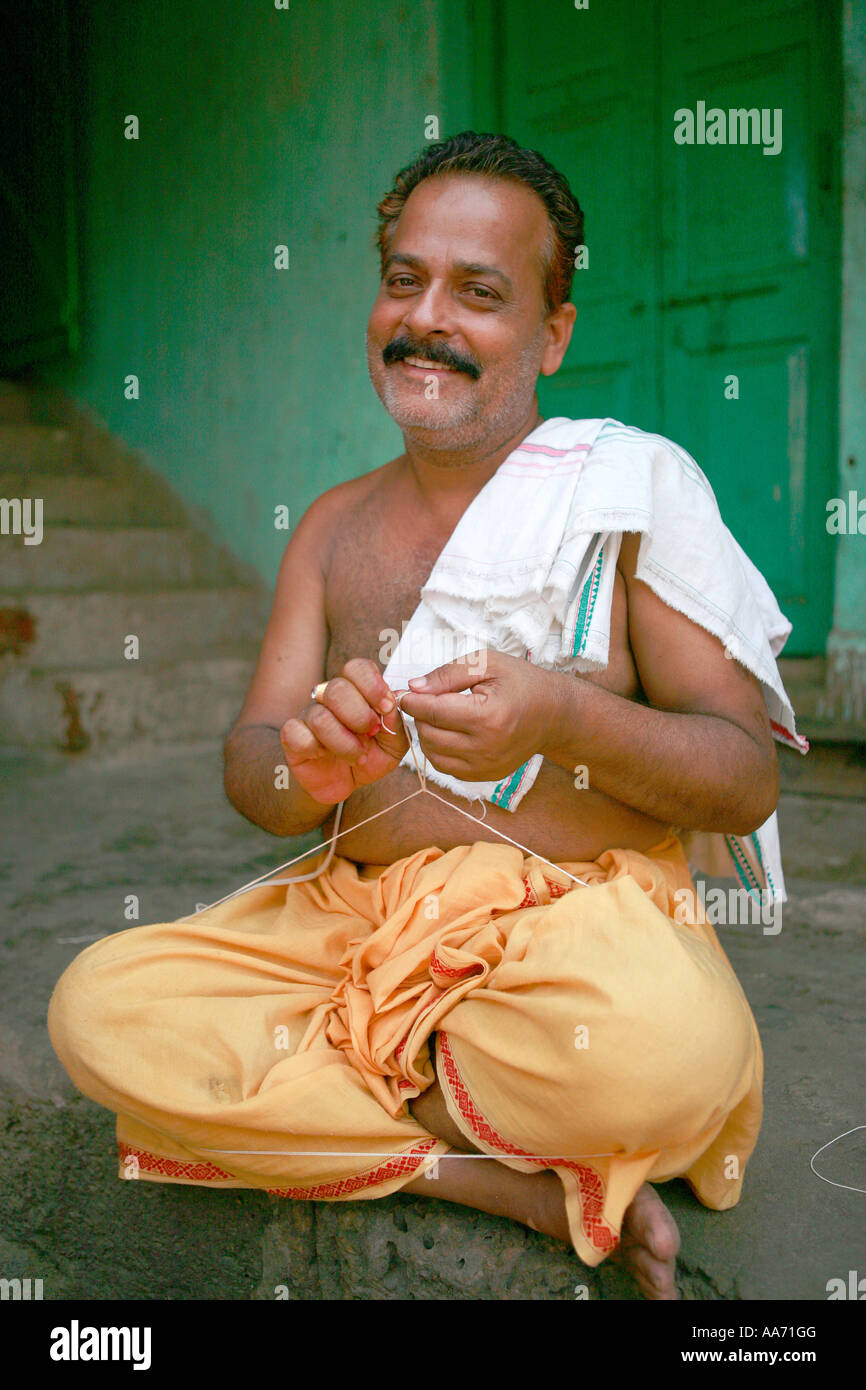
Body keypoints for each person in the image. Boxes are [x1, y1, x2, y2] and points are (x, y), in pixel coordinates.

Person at [49, 132, 795, 1301]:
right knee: (98, 1008)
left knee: (653, 1054)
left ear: (552, 335)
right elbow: (253, 771)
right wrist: (313, 766)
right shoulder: (333, 528)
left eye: (479, 291)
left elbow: (741, 773)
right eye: (403, 278)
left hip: (575, 936)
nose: (424, 317)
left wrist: (559, 715)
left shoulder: (628, 495)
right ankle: (500, 1175)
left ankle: (334, 1115)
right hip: (349, 928)